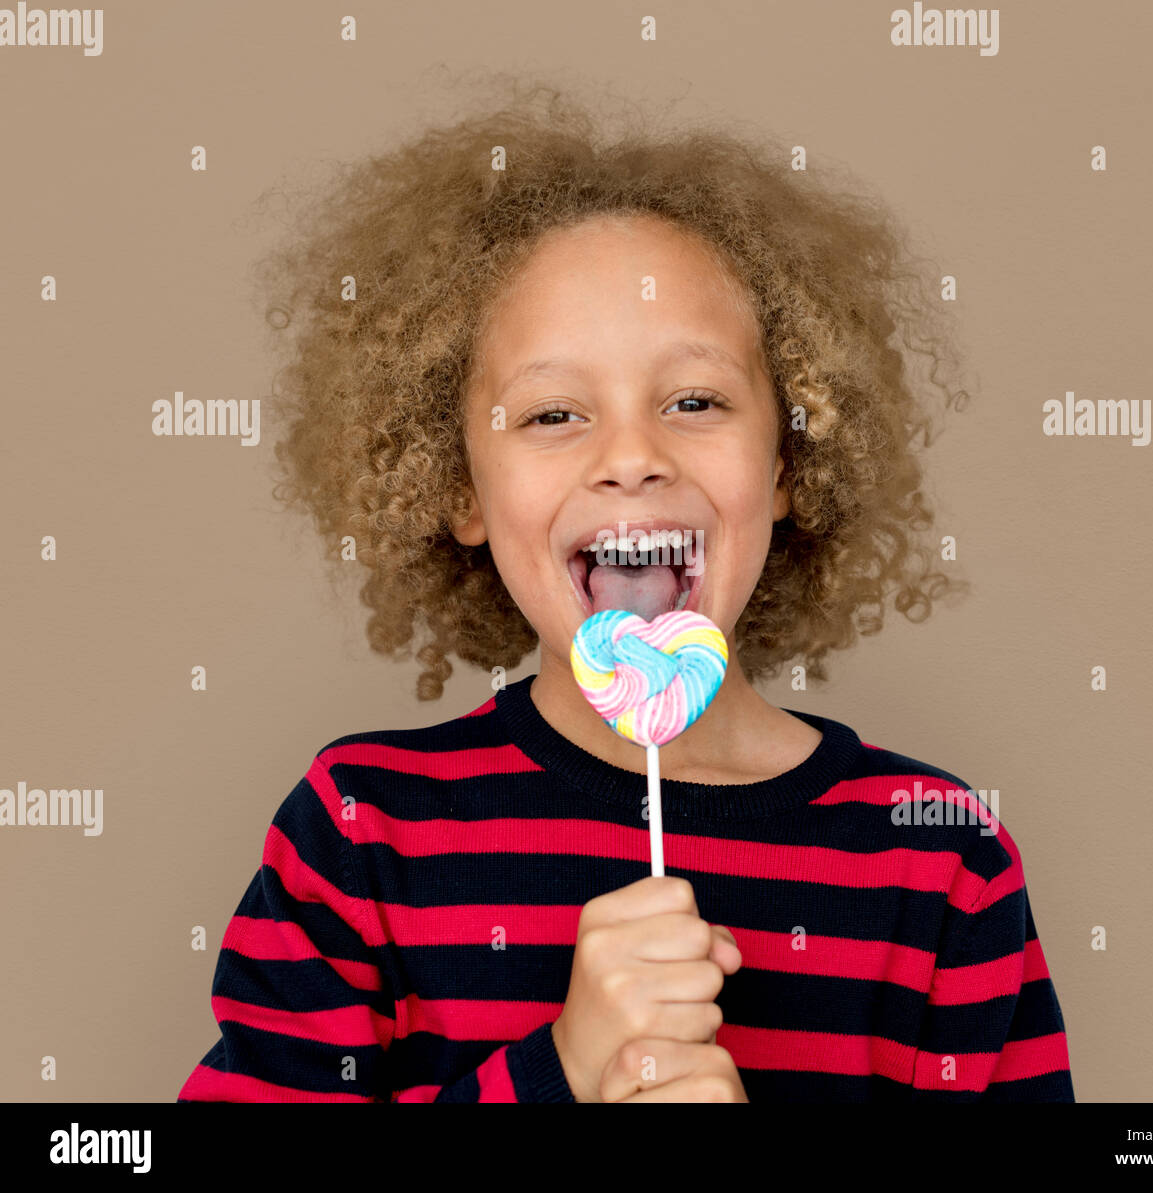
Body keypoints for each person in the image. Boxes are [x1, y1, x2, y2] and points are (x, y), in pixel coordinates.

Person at [178, 79, 1073, 1103]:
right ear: (457, 485)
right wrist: (559, 1069)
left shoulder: (937, 853)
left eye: (694, 399)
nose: (631, 455)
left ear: (786, 460)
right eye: (554, 413)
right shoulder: (364, 832)